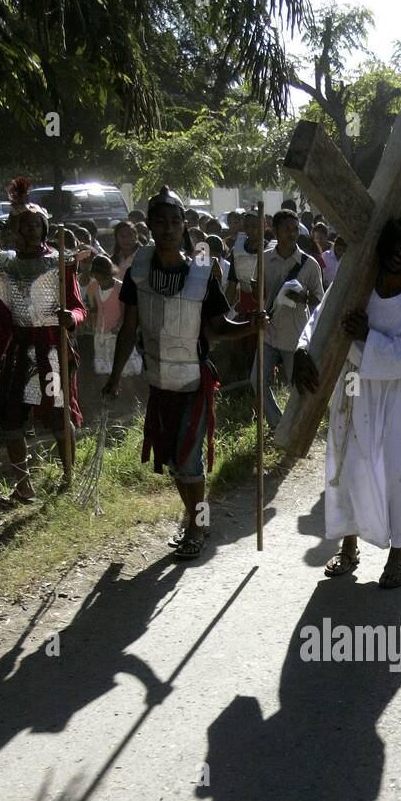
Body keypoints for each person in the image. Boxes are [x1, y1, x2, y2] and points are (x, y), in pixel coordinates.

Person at [102, 185, 266, 558]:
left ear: (183, 226)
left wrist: (251, 326)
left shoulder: (201, 273)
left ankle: (197, 525)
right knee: (176, 460)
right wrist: (114, 377)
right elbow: (129, 328)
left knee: (188, 459)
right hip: (159, 381)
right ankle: (197, 518)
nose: (167, 227)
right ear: (150, 226)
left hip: (194, 381)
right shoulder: (139, 270)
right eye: (159, 221)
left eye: (174, 221)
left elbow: (216, 328)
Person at [292, 214, 401, 589]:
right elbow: (321, 317)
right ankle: (349, 544)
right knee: (350, 464)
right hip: (353, 386)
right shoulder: (358, 279)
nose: (400, 255)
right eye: (396, 245)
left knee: (397, 471)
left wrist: (368, 337)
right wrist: (303, 349)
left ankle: (398, 555)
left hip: (394, 394)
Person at [0, 177, 85, 499]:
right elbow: (2, 317)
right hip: (18, 351)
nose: (30, 232)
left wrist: (72, 319)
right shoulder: (4, 266)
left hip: (52, 349)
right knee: (11, 416)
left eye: (35, 226)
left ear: (43, 229)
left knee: (58, 412)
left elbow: (77, 307)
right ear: (14, 229)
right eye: (23, 226)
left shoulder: (59, 262)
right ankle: (22, 485)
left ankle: (69, 476)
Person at [250, 209, 323, 431]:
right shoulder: (264, 259)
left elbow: (319, 300)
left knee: (300, 386)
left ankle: (299, 427)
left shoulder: (309, 264)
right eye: (286, 229)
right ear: (275, 231)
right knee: (257, 381)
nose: (292, 234)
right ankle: (279, 425)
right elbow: (258, 295)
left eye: (294, 229)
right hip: (269, 332)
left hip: (296, 336)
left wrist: (303, 297)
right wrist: (256, 291)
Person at [87, 255, 140, 377]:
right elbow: (96, 307)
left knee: (123, 371)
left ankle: (127, 394)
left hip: (117, 335)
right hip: (101, 334)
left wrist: (118, 327)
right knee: (104, 371)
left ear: (108, 273)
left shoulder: (120, 288)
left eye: (100, 276)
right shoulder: (94, 287)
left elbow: (125, 312)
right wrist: (92, 319)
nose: (98, 279)